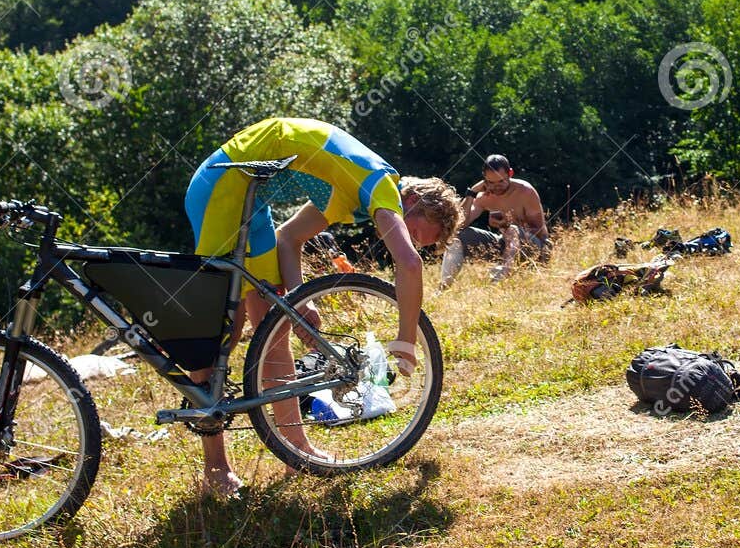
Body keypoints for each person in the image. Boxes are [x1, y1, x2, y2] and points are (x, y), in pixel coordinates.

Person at [184, 117, 460, 497]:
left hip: (252, 194)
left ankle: (296, 451)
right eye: (413, 233)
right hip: (223, 182)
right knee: (217, 333)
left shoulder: (349, 192)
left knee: (272, 328)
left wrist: (299, 301)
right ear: (412, 202)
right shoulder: (379, 183)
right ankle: (216, 468)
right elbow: (409, 264)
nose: (406, 240)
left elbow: (289, 239)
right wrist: (406, 342)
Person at [439, 154, 551, 286]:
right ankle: (443, 286)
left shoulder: (525, 191)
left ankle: (499, 280)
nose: (496, 187)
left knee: (512, 230)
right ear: (484, 179)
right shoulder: (484, 196)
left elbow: (539, 230)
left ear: (510, 173)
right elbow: (460, 225)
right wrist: (472, 193)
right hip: (504, 244)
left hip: (536, 248)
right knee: (457, 236)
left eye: (501, 181)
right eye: (491, 182)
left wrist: (507, 226)